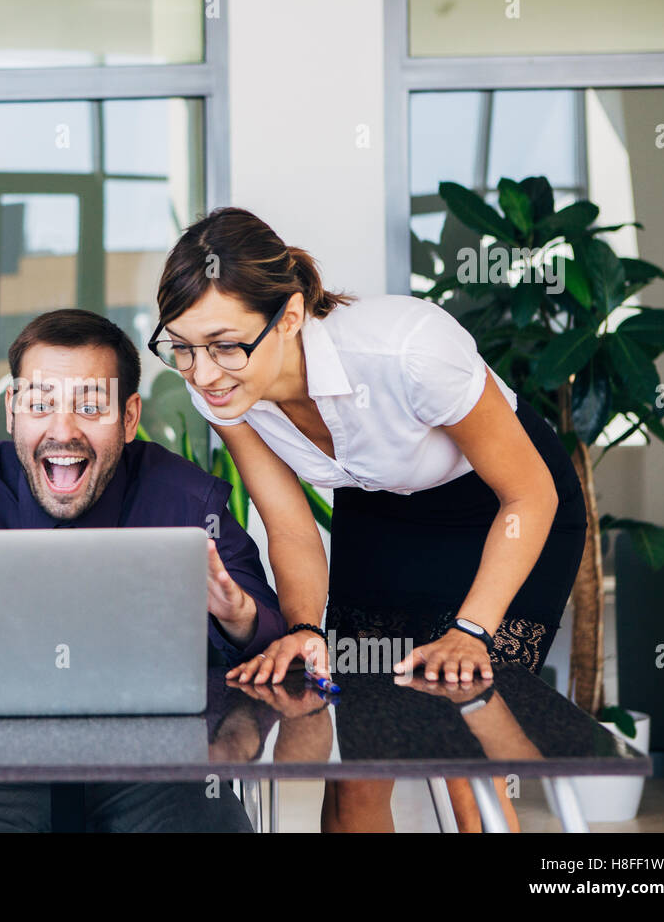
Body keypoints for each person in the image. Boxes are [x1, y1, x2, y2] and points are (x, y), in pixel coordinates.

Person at [148, 207, 587, 832]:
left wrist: (472, 629)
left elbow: (529, 495)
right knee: (361, 767)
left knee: (454, 740)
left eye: (225, 345)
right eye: (182, 348)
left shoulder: (408, 350)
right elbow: (291, 524)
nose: (203, 372)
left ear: (290, 316)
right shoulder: (217, 385)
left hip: (505, 505)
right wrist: (303, 626)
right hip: (381, 511)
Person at [0, 309, 288, 831]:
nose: (63, 431)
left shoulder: (190, 501)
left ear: (129, 418)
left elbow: (276, 661)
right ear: (13, 409)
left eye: (90, 406)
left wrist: (238, 617)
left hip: (159, 777)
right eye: (41, 404)